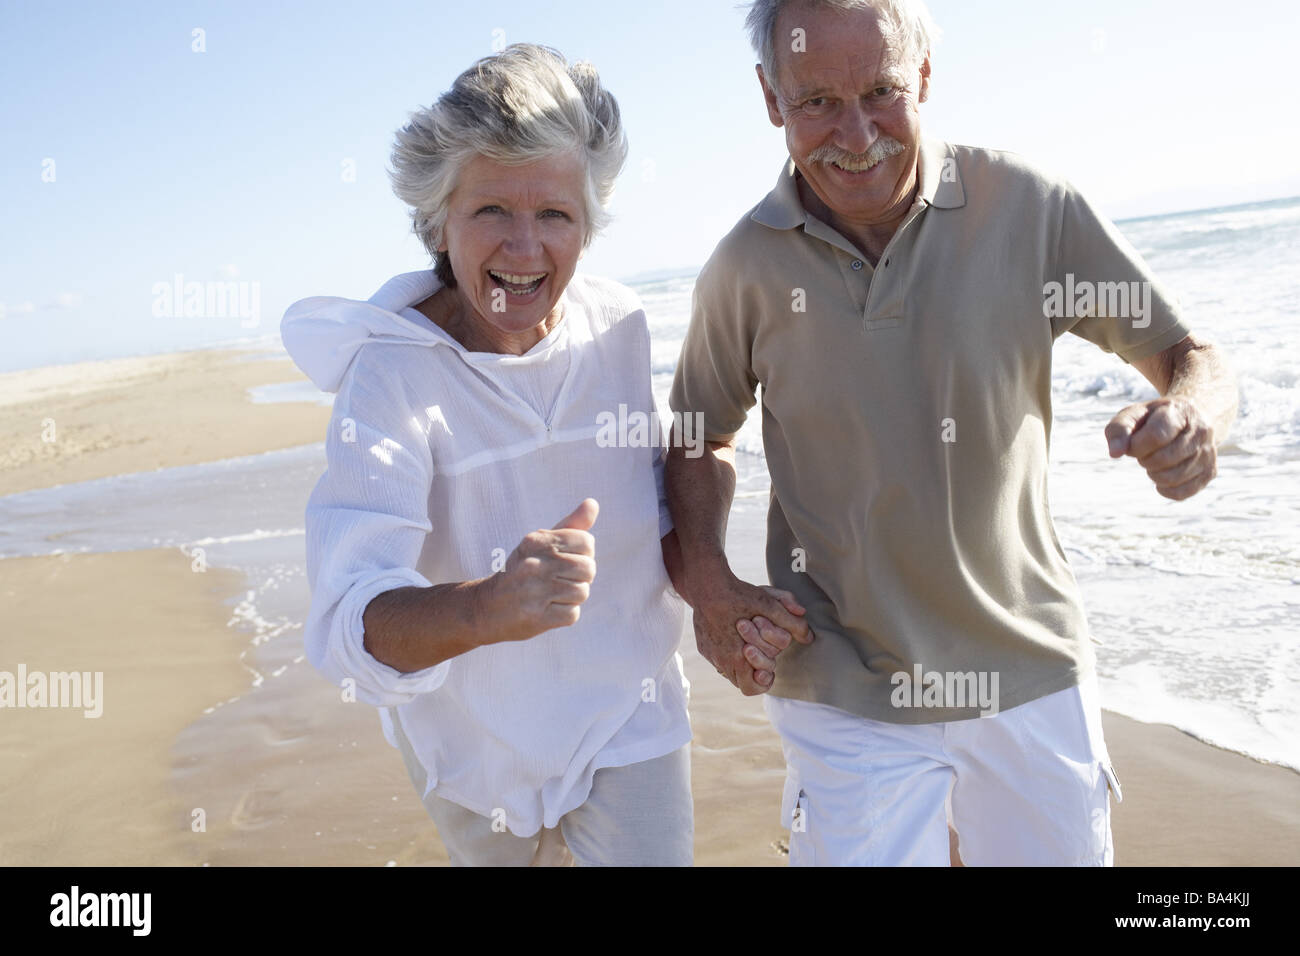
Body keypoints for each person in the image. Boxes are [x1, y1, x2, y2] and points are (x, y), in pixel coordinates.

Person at [666, 0, 1238, 866]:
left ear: (925, 74)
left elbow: (1187, 354)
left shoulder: (1030, 209)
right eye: (816, 100)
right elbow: (697, 438)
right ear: (770, 97)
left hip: (1029, 665)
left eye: (883, 92)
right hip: (840, 680)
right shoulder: (745, 266)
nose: (855, 134)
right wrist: (712, 590)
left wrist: (1194, 418)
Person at [281, 44, 696, 866]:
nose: (524, 248)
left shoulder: (619, 326)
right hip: (470, 751)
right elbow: (346, 624)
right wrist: (487, 606)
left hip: (627, 711)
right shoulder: (388, 375)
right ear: (439, 220)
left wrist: (725, 597)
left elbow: (668, 491)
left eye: (555, 215)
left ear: (590, 222)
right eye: (490, 212)